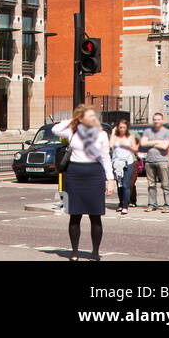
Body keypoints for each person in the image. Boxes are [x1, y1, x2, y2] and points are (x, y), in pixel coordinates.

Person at [52, 105, 116, 262]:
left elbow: (105, 157)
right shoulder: (71, 132)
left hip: (94, 173)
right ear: (80, 118)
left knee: (95, 215)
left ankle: (95, 251)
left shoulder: (101, 134)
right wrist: (72, 119)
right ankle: (74, 251)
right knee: (75, 215)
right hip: (75, 174)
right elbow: (55, 129)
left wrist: (110, 179)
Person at [140, 112, 169, 212]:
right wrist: (157, 142)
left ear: (162, 120)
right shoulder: (147, 131)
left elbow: (165, 146)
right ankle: (152, 204)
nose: (156, 121)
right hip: (149, 160)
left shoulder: (168, 132)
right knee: (151, 185)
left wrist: (149, 143)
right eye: (155, 119)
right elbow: (143, 143)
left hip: (162, 160)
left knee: (165, 184)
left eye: (158, 119)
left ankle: (168, 205)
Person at [109, 119, 138, 214]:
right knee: (120, 185)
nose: (122, 129)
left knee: (126, 184)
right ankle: (121, 204)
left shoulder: (130, 137)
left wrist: (127, 146)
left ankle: (125, 205)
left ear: (127, 128)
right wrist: (113, 132)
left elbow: (135, 149)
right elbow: (111, 145)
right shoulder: (116, 137)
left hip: (127, 162)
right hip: (117, 163)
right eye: (120, 127)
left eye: (124, 127)